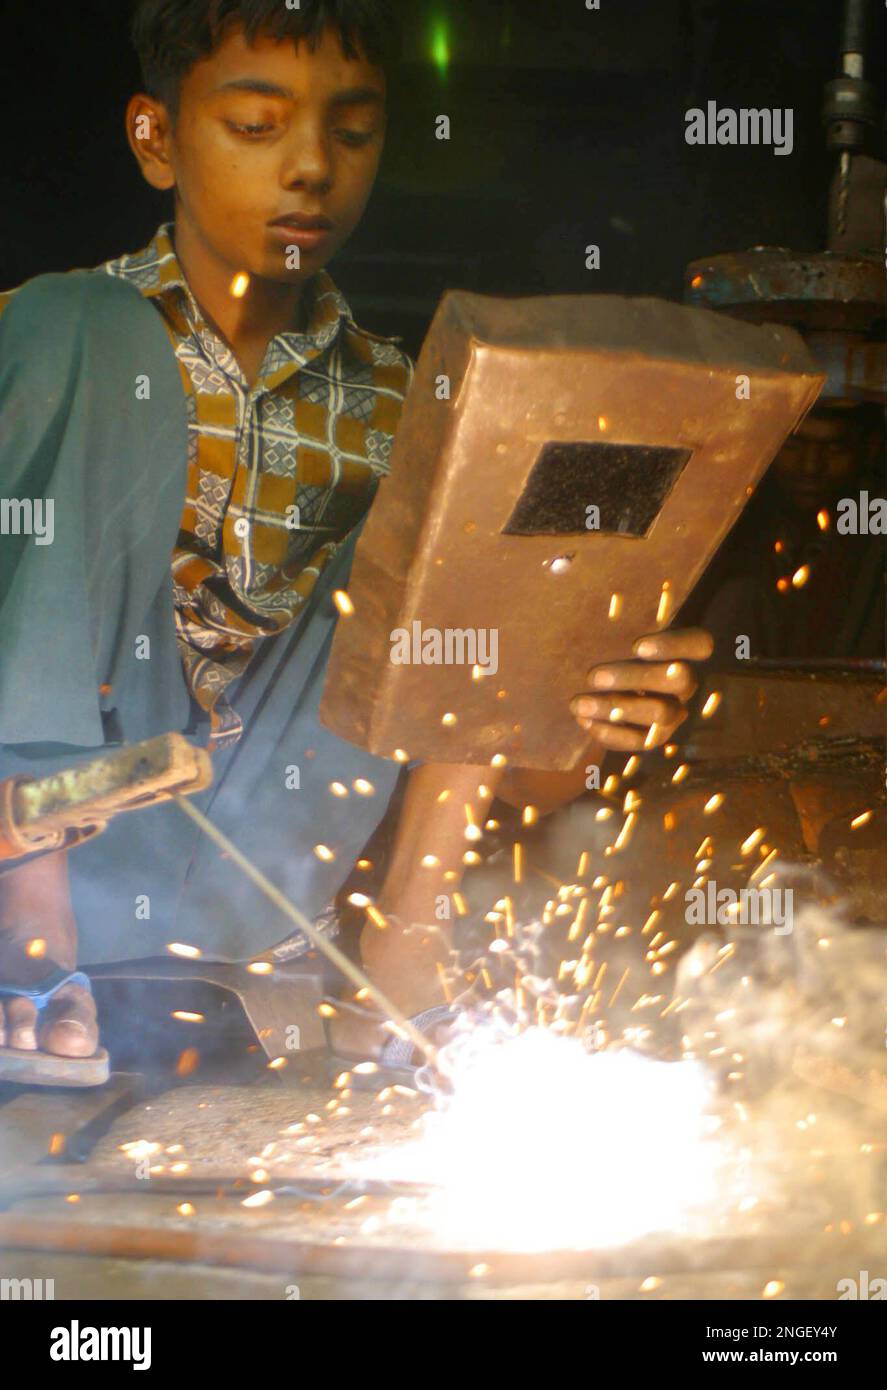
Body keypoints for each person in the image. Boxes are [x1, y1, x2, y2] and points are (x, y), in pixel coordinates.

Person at [0, 0, 711, 1078]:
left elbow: (526, 781)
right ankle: (26, 921)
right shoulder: (39, 343)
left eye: (352, 131)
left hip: (269, 868)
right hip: (45, 824)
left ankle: (405, 962)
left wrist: (581, 694)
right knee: (78, 322)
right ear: (154, 138)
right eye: (255, 126)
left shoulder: (402, 400)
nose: (310, 169)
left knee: (486, 454)